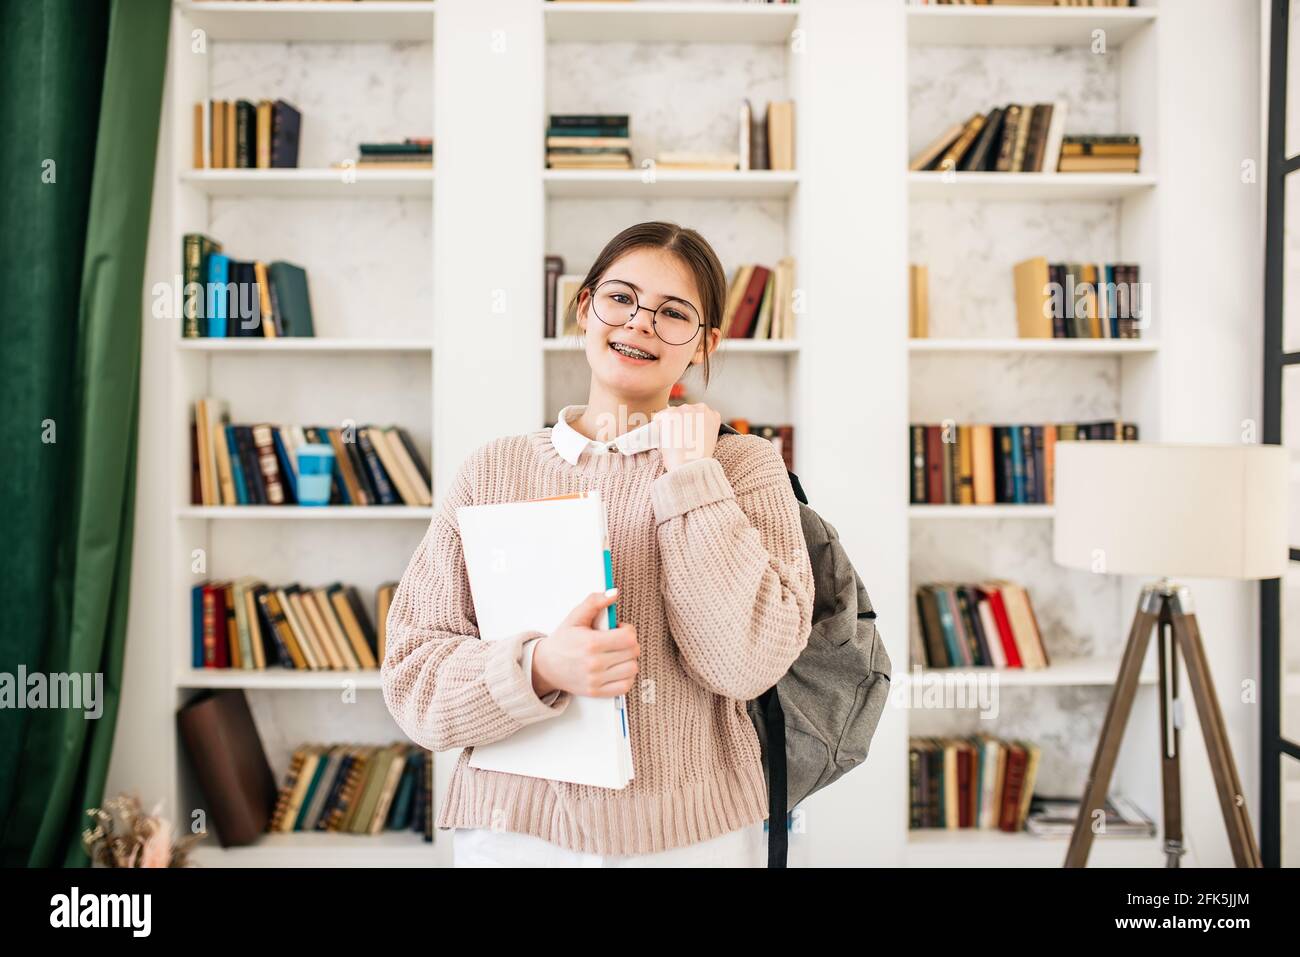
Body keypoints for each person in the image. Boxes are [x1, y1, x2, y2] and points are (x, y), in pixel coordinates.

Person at [381, 220, 814, 867]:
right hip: (517, 835)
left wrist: (692, 478)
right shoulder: (491, 471)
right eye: (621, 298)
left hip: (694, 838)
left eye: (673, 313)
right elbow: (414, 679)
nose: (640, 322)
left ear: (705, 344)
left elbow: (743, 663)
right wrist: (538, 666)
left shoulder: (744, 466)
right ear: (584, 308)